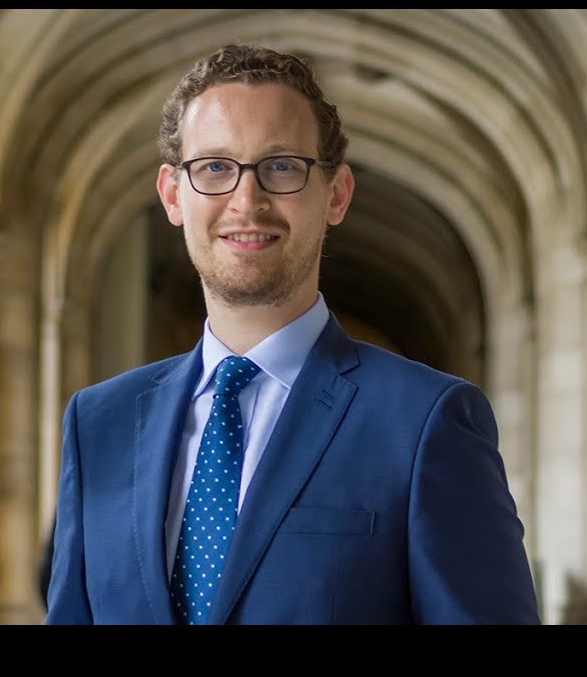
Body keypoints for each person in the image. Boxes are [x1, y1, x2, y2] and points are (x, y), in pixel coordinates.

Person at [46, 44, 539, 625]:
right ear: (174, 195)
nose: (246, 201)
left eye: (281, 166)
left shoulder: (426, 423)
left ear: (337, 194)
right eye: (215, 168)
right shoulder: (98, 425)